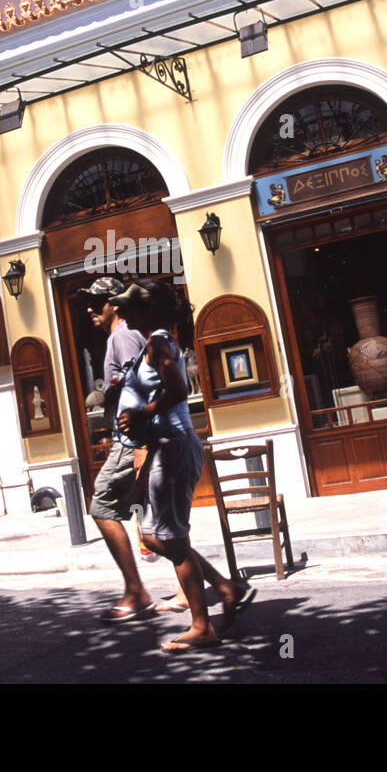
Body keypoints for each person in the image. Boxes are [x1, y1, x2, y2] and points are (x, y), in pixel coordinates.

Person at [112, 279, 252, 652]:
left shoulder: (158, 342)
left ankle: (202, 625)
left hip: (174, 446)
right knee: (160, 536)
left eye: (130, 306)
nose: (122, 312)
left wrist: (143, 413)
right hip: (165, 447)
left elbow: (178, 390)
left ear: (148, 310)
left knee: (167, 537)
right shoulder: (152, 344)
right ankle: (223, 588)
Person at [80, 276, 161, 623]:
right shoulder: (121, 336)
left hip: (132, 439)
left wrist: (141, 443)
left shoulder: (123, 335)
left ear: (115, 304)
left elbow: (143, 388)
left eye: (97, 303)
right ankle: (213, 587)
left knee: (101, 504)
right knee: (161, 528)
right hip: (132, 437)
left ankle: (135, 591)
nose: (90, 309)